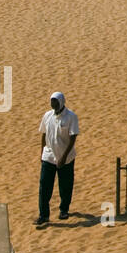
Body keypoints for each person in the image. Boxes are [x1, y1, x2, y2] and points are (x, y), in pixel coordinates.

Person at [35, 91, 79, 225]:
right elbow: (43, 134)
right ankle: (43, 215)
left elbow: (73, 138)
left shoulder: (71, 117)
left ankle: (64, 210)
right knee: (44, 185)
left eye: (55, 101)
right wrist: (42, 153)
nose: (52, 104)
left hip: (66, 158)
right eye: (51, 101)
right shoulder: (47, 116)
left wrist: (64, 157)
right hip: (49, 157)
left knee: (65, 185)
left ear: (61, 102)